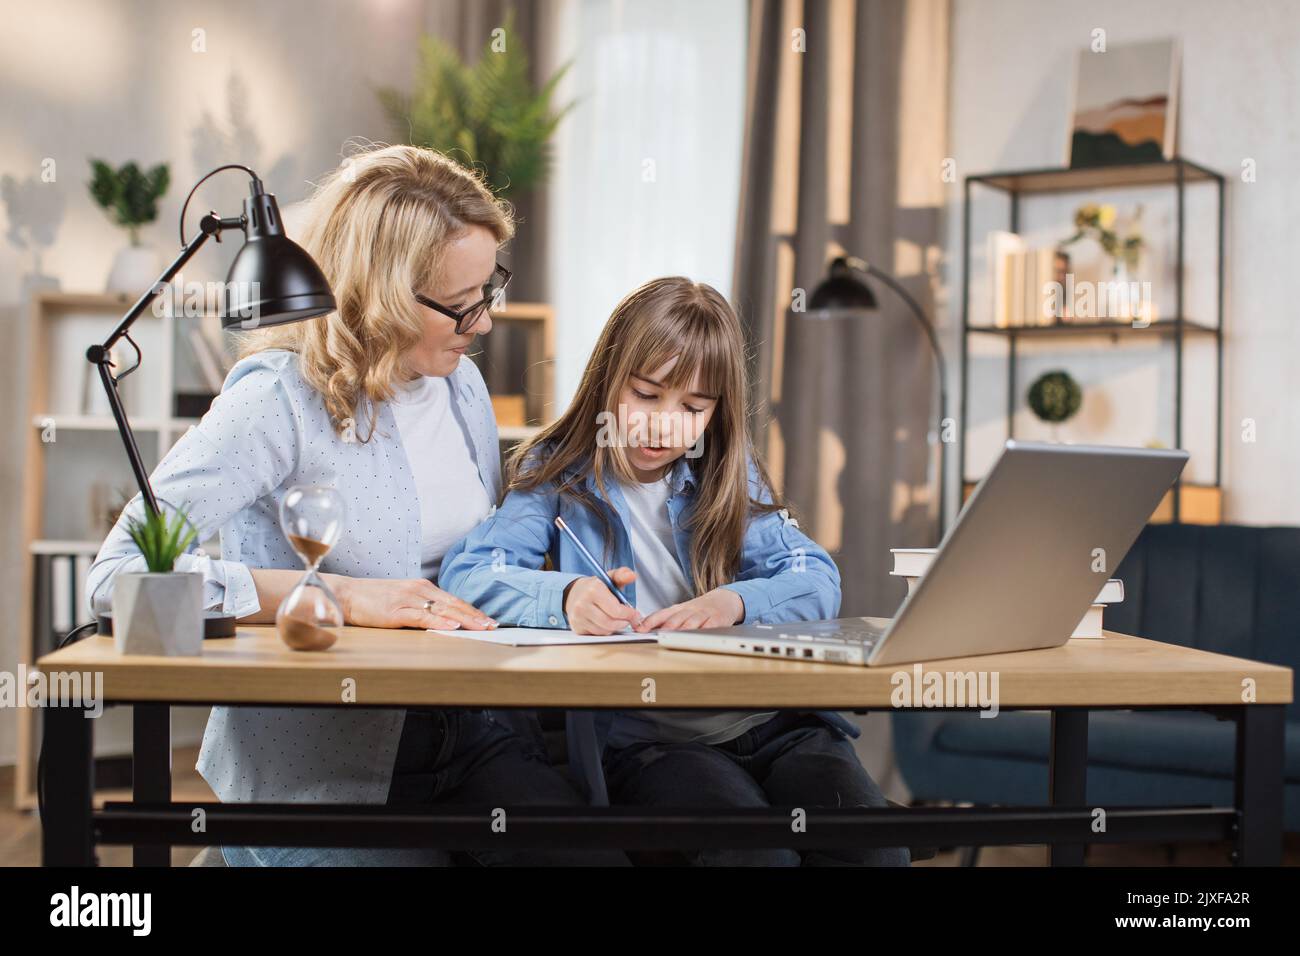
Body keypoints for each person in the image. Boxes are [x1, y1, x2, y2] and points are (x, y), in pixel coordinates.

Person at [86, 144, 621, 866]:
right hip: (325, 772)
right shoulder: (276, 401)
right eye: (460, 307)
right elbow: (116, 585)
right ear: (383, 293)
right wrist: (330, 593)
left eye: (487, 291)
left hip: (476, 738)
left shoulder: (459, 385)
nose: (485, 324)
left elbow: (480, 556)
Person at [440, 276, 909, 866]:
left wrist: (734, 603)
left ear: (717, 412)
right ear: (610, 376)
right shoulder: (558, 470)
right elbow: (471, 572)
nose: (665, 425)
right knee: (752, 858)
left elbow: (815, 576)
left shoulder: (727, 471)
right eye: (647, 394)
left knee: (875, 850)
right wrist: (565, 597)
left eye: (693, 407)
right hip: (654, 740)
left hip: (779, 724)